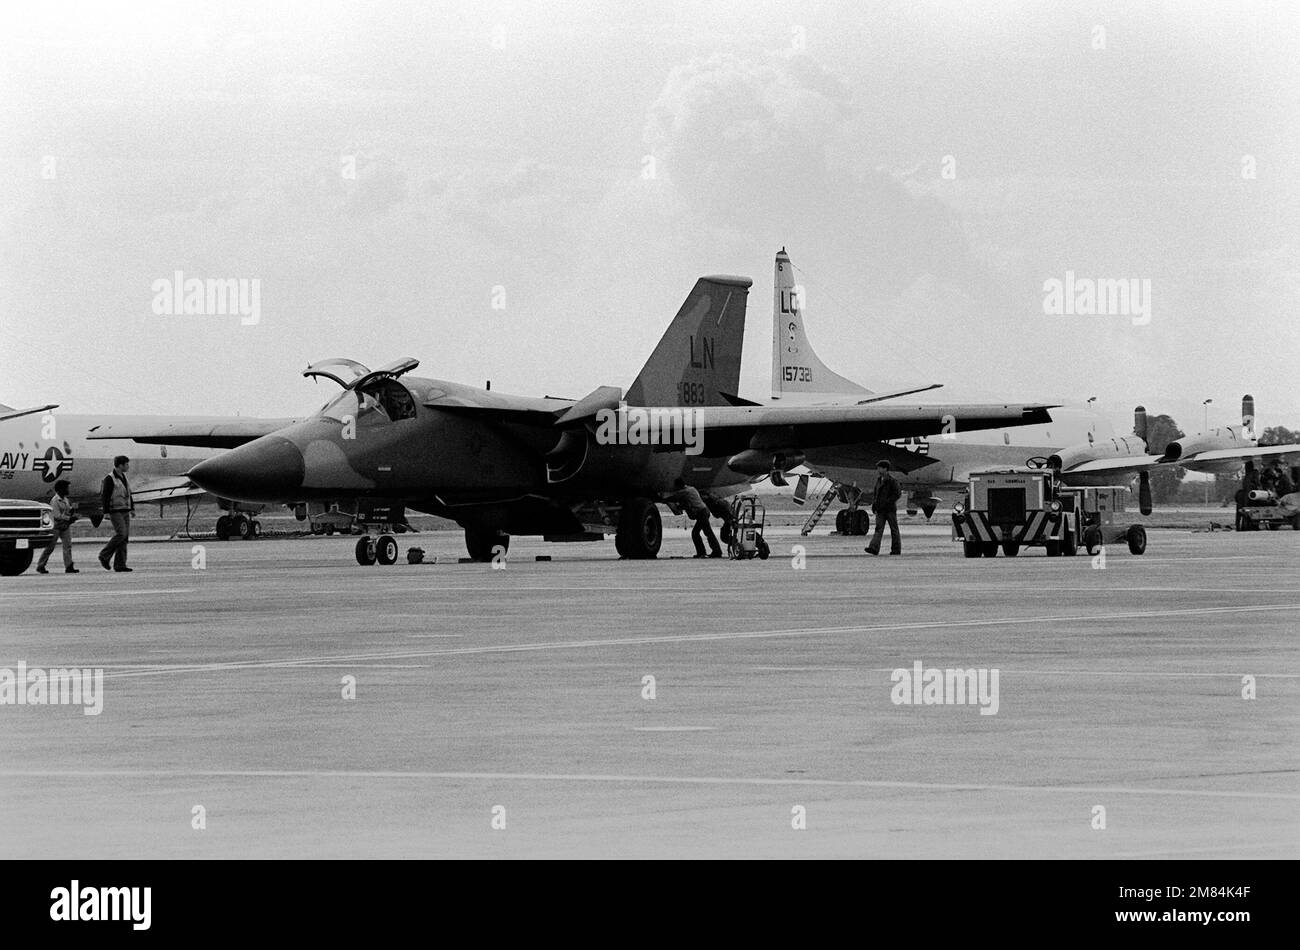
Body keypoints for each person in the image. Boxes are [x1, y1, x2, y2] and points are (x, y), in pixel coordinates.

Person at [662, 477, 722, 558]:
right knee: (704, 532)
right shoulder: (691, 489)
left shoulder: (684, 492)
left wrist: (662, 499)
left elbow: (673, 498)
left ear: (678, 486)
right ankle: (709, 551)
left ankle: (712, 552)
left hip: (701, 513)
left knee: (700, 533)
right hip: (704, 511)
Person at [99, 455, 135, 572]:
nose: (128, 466)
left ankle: (120, 564)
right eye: (126, 464)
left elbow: (128, 493)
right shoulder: (109, 479)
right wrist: (106, 512)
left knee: (124, 538)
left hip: (125, 510)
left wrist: (132, 508)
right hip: (115, 510)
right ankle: (104, 555)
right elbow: (105, 496)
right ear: (120, 465)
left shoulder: (124, 477)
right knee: (121, 534)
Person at [36, 479, 79, 574]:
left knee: (67, 546)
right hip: (56, 526)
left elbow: (66, 510)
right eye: (66, 488)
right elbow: (56, 515)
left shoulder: (65, 499)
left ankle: (69, 566)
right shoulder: (55, 501)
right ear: (61, 489)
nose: (68, 490)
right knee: (50, 547)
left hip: (65, 525)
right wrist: (69, 518)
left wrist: (71, 511)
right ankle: (41, 565)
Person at [865, 460, 902, 556]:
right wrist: (874, 504)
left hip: (889, 509)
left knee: (894, 529)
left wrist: (888, 502)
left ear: (885, 469)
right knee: (878, 528)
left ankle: (896, 549)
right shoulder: (879, 480)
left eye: (880, 468)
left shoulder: (892, 481)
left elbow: (897, 494)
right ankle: (874, 548)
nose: (878, 469)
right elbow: (876, 493)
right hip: (880, 509)